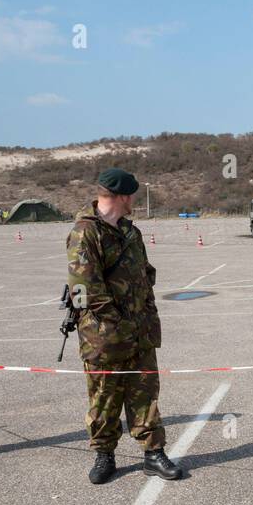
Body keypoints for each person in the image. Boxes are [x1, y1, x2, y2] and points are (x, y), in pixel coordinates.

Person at [68, 168, 184, 484]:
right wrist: (118, 323)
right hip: (104, 337)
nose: (134, 201)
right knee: (104, 398)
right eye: (131, 195)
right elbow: (85, 290)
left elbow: (145, 271)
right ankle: (104, 456)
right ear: (121, 197)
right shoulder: (85, 233)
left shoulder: (131, 232)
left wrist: (143, 307)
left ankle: (153, 453)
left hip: (140, 331)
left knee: (145, 393)